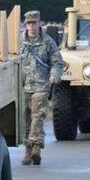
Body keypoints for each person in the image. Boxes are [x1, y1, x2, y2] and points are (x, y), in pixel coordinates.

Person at [17, 10, 63, 165]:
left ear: (39, 23)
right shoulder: (19, 42)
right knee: (25, 119)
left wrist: (55, 74)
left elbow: (57, 61)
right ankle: (28, 150)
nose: (31, 26)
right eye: (29, 23)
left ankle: (36, 147)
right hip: (23, 87)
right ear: (26, 25)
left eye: (34, 23)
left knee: (38, 116)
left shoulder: (48, 42)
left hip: (41, 85)